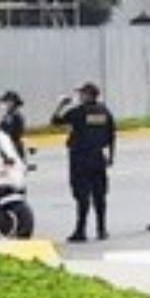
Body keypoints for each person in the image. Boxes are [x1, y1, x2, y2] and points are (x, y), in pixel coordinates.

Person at [52, 83, 116, 242]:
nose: (79, 96)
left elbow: (55, 121)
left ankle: (81, 230)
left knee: (82, 196)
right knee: (99, 195)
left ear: (88, 95)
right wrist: (111, 156)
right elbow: (112, 136)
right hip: (98, 157)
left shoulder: (78, 112)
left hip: (80, 158)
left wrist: (61, 105)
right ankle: (101, 229)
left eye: (81, 93)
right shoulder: (104, 111)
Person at [0, 92, 27, 157]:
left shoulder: (16, 116)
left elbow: (17, 132)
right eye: (4, 102)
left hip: (13, 147)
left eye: (6, 101)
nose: (4, 104)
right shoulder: (6, 116)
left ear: (13, 103)